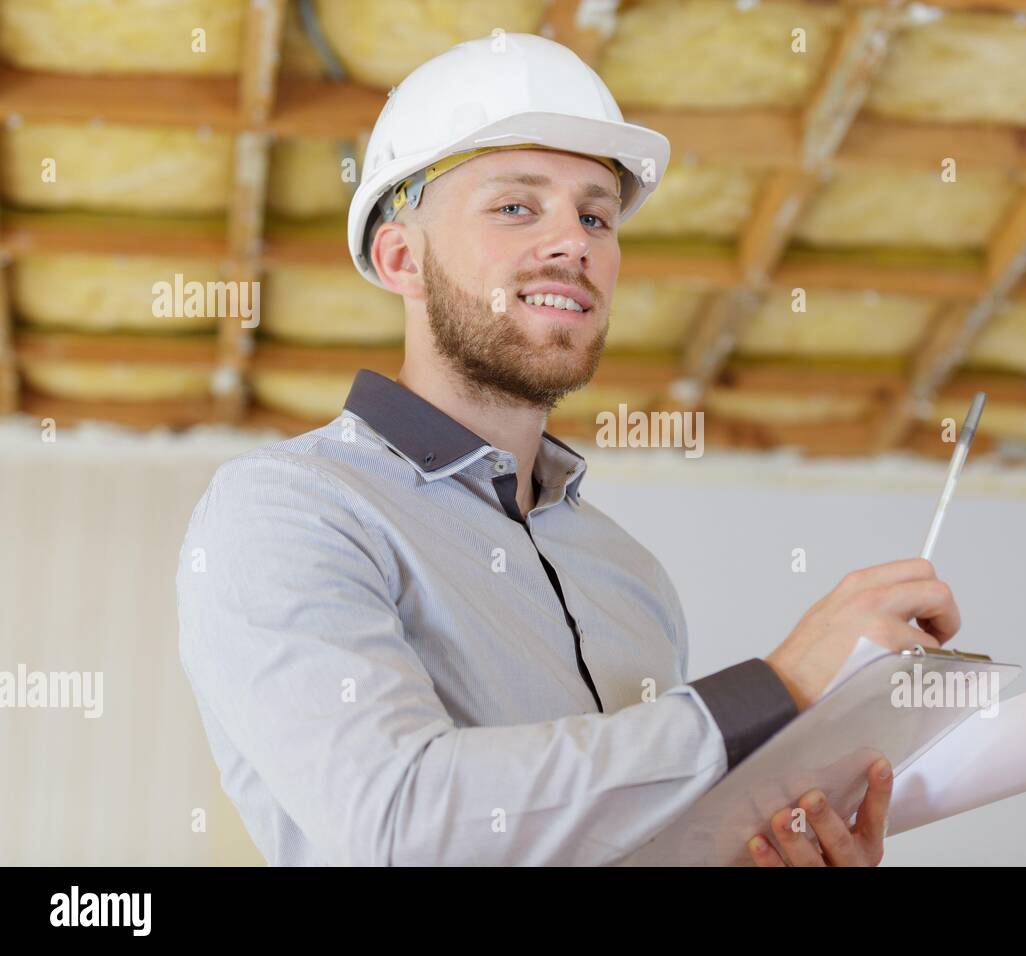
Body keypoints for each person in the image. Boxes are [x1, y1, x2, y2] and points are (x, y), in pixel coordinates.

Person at [176, 32, 961, 867]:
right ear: (402, 258)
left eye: (596, 214)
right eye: (517, 206)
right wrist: (778, 688)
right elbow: (400, 822)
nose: (575, 242)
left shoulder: (630, 576)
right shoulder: (291, 508)